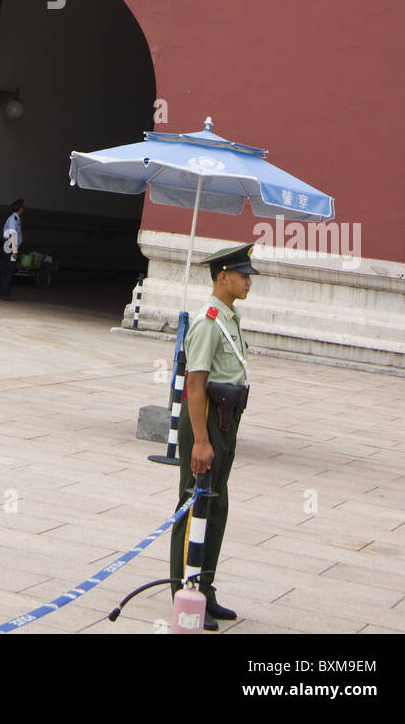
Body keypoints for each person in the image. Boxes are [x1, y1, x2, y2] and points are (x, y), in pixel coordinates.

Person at [168, 242, 259, 630]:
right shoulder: (208, 322)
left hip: (226, 420)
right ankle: (184, 592)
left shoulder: (230, 318)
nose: (248, 282)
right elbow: (196, 383)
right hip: (205, 420)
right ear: (223, 277)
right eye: (243, 275)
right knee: (194, 500)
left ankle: (205, 587)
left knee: (216, 502)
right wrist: (201, 441)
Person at [0, 198, 24, 301]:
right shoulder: (13, 219)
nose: (23, 209)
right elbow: (12, 235)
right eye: (22, 207)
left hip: (9, 245)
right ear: (20, 209)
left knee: (8, 270)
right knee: (9, 270)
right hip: (10, 246)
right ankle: (5, 293)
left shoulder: (16, 218)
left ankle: (4, 292)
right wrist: (14, 251)